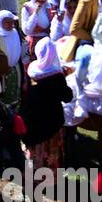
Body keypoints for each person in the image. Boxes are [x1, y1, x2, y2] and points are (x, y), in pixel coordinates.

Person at [20, 37, 73, 174]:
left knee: (35, 148)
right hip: (51, 118)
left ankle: (32, 175)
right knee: (50, 150)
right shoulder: (57, 75)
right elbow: (67, 97)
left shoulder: (33, 70)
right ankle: (50, 178)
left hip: (32, 116)